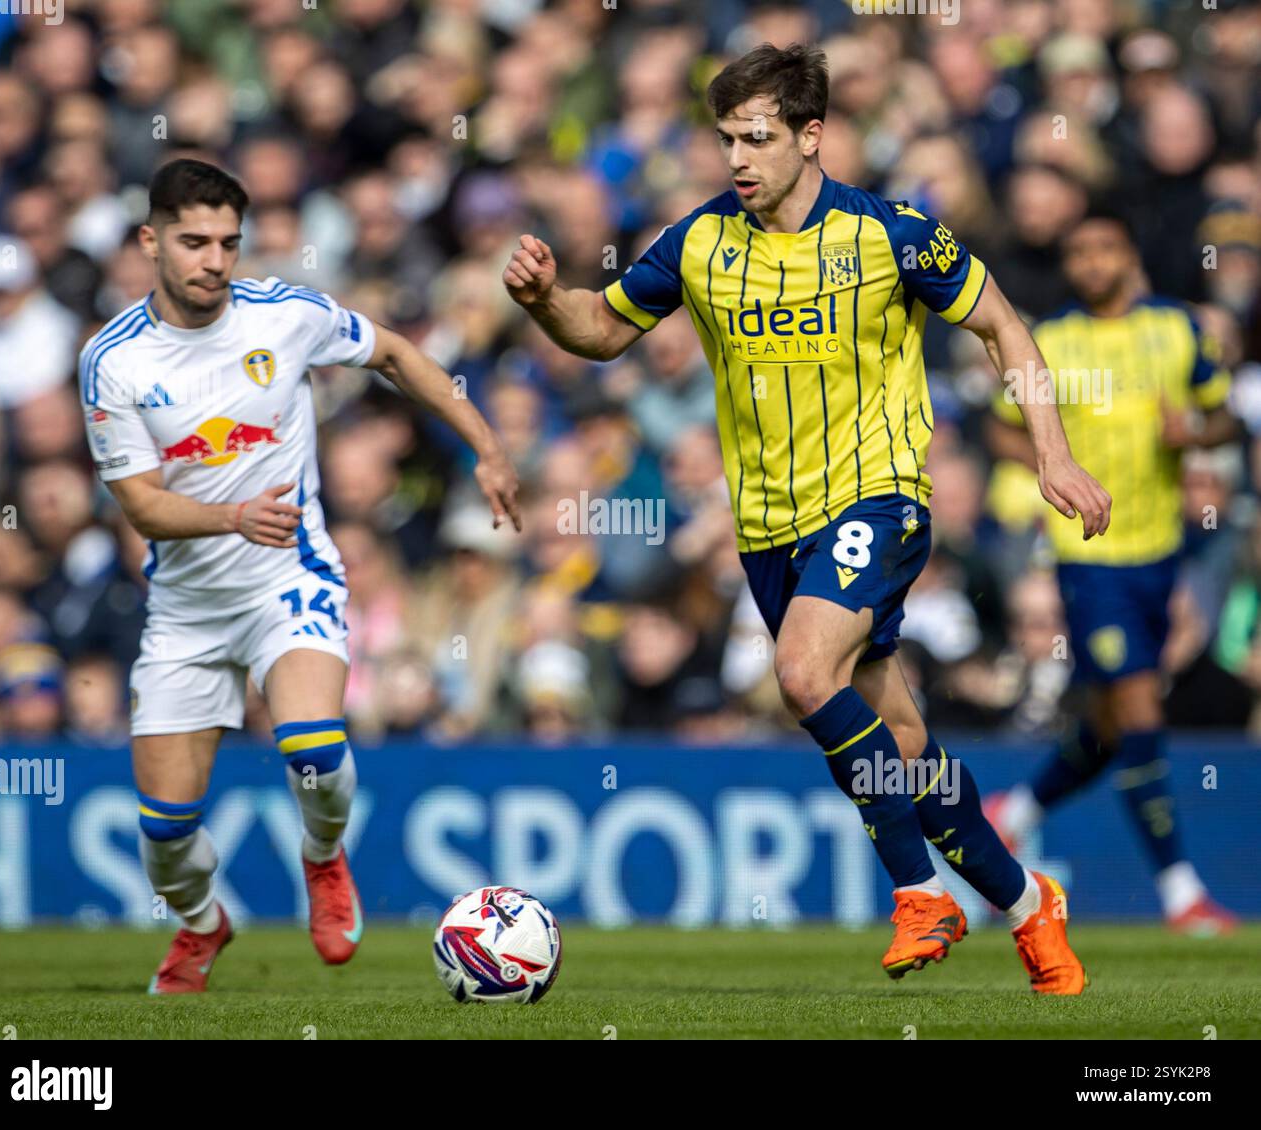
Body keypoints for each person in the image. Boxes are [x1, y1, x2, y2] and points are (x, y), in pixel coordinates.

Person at [504, 43, 1111, 994]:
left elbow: (1003, 325)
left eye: (757, 138)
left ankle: (920, 892)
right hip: (769, 530)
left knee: (799, 671)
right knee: (901, 747)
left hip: (879, 497)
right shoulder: (699, 243)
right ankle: (1031, 905)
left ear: (810, 135)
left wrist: (1054, 452)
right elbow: (600, 330)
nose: (737, 159)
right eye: (725, 140)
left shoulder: (892, 234)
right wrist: (545, 302)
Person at [79, 159, 520, 993]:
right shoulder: (114, 361)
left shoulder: (285, 315)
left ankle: (323, 859)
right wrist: (230, 517)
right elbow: (140, 505)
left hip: (289, 576)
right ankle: (203, 923)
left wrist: (487, 446)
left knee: (314, 748)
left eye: (228, 243)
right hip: (186, 609)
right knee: (166, 834)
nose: (214, 260)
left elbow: (394, 353)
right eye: (194, 241)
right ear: (150, 242)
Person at [985, 205, 1239, 936]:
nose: (1092, 261)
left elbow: (1226, 419)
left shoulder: (1176, 330)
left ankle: (1014, 813)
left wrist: (1191, 431)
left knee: (1109, 724)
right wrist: (1049, 469)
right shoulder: (1051, 342)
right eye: (1080, 251)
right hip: (1089, 557)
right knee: (1138, 711)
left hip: (1160, 555)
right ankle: (1180, 892)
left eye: (1105, 248)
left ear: (1129, 254)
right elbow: (1002, 432)